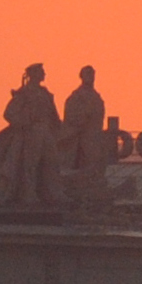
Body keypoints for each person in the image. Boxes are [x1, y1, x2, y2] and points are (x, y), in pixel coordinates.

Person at [0, 62, 59, 206]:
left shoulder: (45, 93)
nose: (44, 74)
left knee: (51, 162)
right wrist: (24, 123)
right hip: (31, 132)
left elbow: (54, 116)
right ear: (34, 75)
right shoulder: (24, 93)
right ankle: (29, 194)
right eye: (41, 72)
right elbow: (9, 113)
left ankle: (53, 192)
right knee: (31, 165)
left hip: (46, 131)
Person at [57, 62, 111, 208]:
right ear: (82, 77)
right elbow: (71, 118)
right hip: (83, 137)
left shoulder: (95, 95)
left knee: (96, 163)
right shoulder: (77, 96)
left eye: (92, 75)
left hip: (95, 135)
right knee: (88, 162)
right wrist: (84, 117)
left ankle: (93, 189)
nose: (91, 78)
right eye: (88, 75)